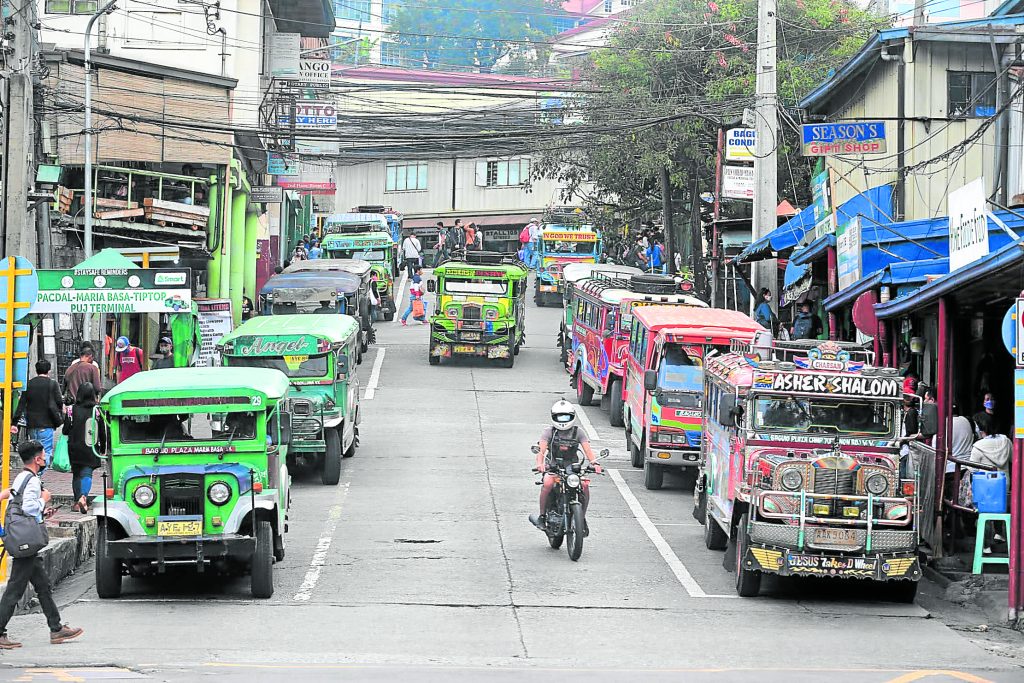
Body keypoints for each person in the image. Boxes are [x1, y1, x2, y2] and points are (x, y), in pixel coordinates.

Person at [0, 440, 84, 648]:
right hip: (26, 541)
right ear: (37, 459)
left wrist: (42, 512)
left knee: (43, 586)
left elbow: (18, 504)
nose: (46, 457)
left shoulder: (22, 477)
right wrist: (43, 500)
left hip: (24, 538)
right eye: (44, 455)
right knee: (15, 589)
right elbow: (28, 508)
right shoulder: (33, 481)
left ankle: (56, 628)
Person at [529, 400, 603, 532]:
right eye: (560, 416)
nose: (563, 420)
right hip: (553, 466)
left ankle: (581, 518)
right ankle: (542, 516)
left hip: (573, 468)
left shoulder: (578, 432)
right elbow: (541, 451)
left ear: (572, 416)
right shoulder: (549, 432)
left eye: (566, 416)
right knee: (547, 483)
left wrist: (595, 463)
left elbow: (588, 450)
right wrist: (540, 464)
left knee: (585, 485)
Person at [11, 360, 64, 466]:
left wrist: (14, 423)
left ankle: (35, 474)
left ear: (36, 370)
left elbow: (21, 405)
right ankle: (38, 475)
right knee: (46, 452)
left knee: (35, 452)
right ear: (48, 370)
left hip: (32, 425)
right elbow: (59, 402)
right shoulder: (52, 384)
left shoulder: (29, 384)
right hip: (46, 424)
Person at [64, 382, 104, 514]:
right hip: (90, 446)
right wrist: (103, 447)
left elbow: (65, 430)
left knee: (76, 474)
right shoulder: (97, 411)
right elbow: (103, 432)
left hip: (75, 447)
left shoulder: (71, 410)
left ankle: (77, 502)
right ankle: (83, 497)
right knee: (87, 473)